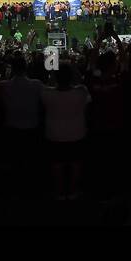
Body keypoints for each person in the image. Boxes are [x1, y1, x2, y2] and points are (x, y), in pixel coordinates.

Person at [41, 64, 91, 200]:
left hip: (54, 136)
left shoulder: (46, 93)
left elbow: (48, 85)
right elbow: (82, 84)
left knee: (57, 164)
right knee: (76, 164)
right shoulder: (81, 92)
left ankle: (59, 193)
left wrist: (52, 76)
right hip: (77, 134)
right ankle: (73, 192)